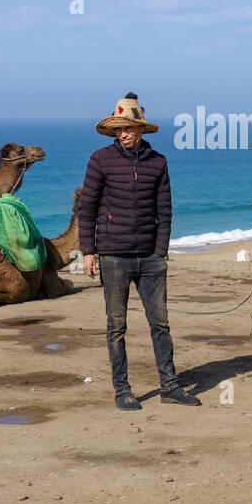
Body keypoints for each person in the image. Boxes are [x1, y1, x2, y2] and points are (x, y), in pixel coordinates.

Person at [78, 93, 201, 410]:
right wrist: (88, 253)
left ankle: (170, 386)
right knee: (116, 326)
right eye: (119, 129)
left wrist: (160, 252)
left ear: (140, 129)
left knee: (160, 324)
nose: (124, 134)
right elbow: (87, 208)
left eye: (129, 128)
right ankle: (122, 390)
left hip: (150, 257)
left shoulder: (158, 162)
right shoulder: (100, 160)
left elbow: (165, 210)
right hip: (113, 257)